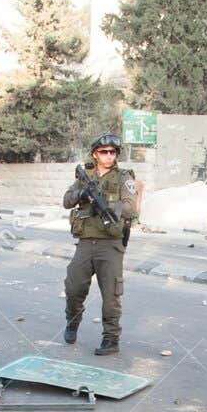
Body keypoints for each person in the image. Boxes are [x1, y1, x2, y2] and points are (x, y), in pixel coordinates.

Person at [63, 132, 138, 356]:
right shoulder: (84, 175)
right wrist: (83, 193)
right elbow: (66, 201)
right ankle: (72, 322)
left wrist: (105, 203)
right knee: (74, 288)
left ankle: (111, 339)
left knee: (111, 295)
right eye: (104, 152)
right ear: (95, 154)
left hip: (110, 245)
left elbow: (131, 207)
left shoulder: (124, 177)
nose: (108, 156)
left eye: (112, 152)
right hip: (86, 242)